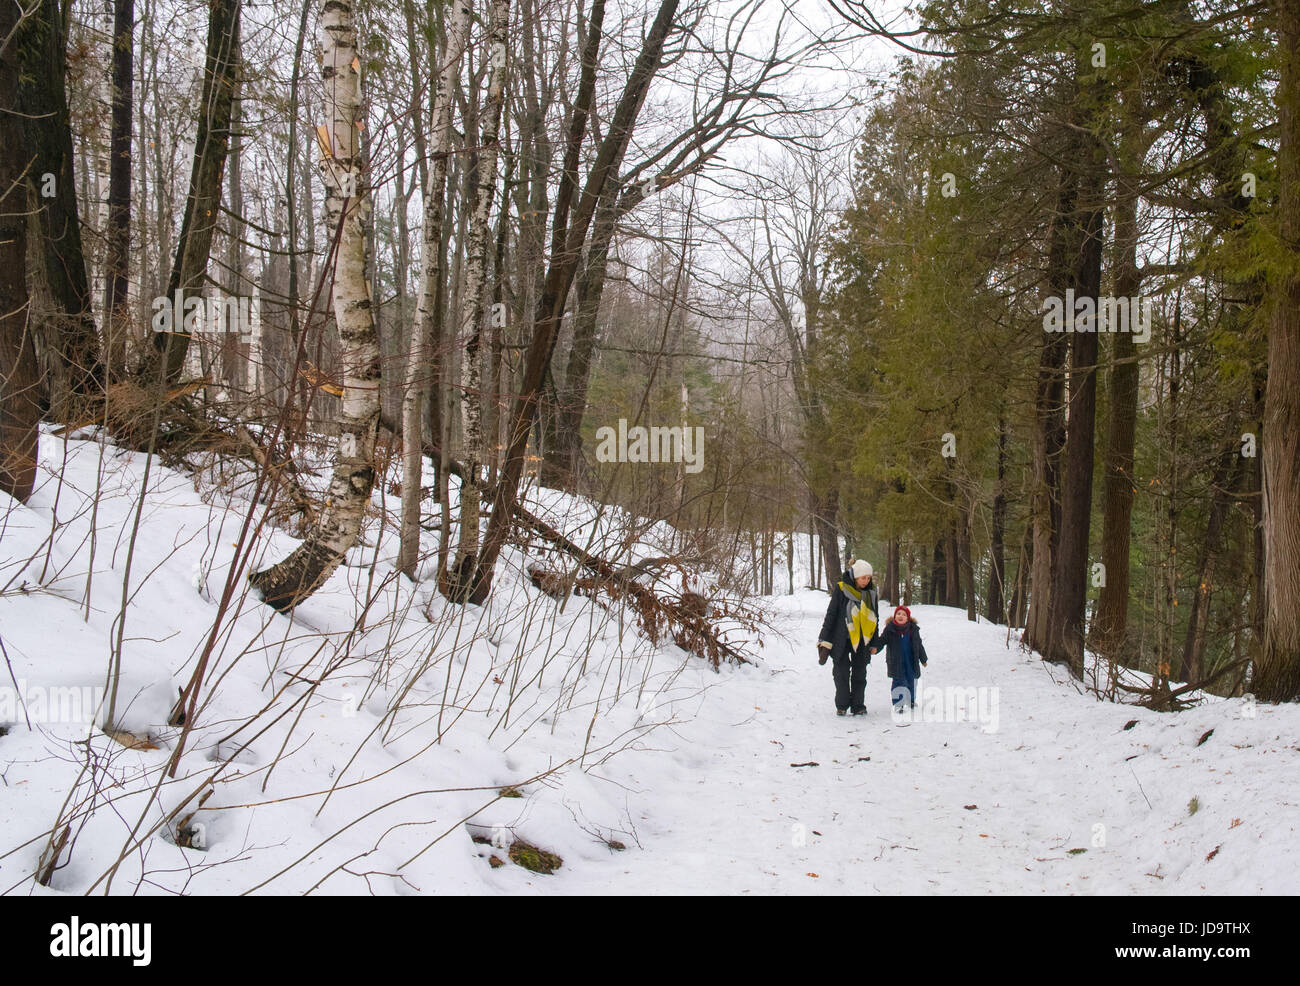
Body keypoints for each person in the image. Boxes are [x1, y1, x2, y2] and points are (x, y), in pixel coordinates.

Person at [817, 559, 880, 716]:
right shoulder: (841, 589)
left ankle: (858, 705)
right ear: (855, 577)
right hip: (842, 638)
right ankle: (842, 705)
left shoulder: (871, 594)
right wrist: (823, 639)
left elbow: (874, 619)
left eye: (868, 578)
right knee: (841, 672)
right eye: (863, 578)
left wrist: (875, 642)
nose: (866, 581)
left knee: (860, 673)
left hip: (863, 639)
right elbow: (831, 614)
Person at [880, 605, 928, 712]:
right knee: (898, 681)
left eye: (904, 614)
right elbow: (882, 640)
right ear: (894, 616)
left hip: (910, 661)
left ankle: (911, 700)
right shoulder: (890, 629)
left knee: (912, 681)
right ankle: (898, 704)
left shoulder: (912, 629)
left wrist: (923, 659)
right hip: (896, 662)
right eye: (898, 614)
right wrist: (874, 647)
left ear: (908, 618)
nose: (900, 616)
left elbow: (918, 645)